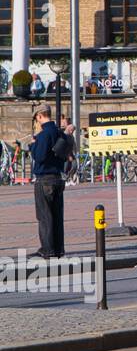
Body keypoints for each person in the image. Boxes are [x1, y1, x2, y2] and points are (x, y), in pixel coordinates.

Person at [30, 108, 74, 257]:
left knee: (44, 216)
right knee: (56, 216)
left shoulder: (44, 135)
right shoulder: (58, 132)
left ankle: (47, 249)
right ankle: (58, 249)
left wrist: (32, 145)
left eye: (37, 119)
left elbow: (40, 156)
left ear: (40, 116)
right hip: (57, 177)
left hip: (44, 179)